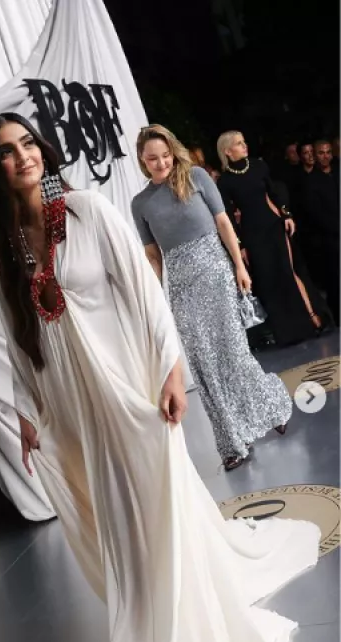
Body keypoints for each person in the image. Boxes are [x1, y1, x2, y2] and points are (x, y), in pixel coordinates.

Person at [0, 112, 319, 642]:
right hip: (71, 400)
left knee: (159, 502)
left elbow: (143, 289)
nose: (21, 157)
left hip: (129, 386)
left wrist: (170, 369)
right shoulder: (0, 245)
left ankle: (180, 638)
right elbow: (17, 335)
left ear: (41, 151)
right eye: (5, 152)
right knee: (116, 517)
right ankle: (152, 622)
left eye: (27, 144)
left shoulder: (86, 209)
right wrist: (27, 412)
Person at [131, 125, 291, 471]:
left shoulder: (198, 177)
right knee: (204, 366)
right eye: (151, 159)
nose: (160, 164)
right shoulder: (140, 203)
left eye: (164, 156)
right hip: (181, 285)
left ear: (173, 153)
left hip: (216, 270)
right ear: (142, 162)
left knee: (232, 353)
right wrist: (159, 296)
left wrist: (238, 266)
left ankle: (271, 407)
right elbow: (153, 255)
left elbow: (222, 222)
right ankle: (232, 443)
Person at [217, 131, 330, 345]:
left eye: (244, 142)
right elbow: (229, 218)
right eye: (239, 144)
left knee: (288, 272)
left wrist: (286, 214)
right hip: (252, 235)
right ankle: (286, 333)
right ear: (227, 150)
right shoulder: (224, 182)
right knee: (268, 281)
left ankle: (311, 322)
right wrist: (240, 246)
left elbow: (275, 192)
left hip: (273, 226)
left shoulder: (259, 166)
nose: (244, 146)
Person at [303, 140, 340, 324]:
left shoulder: (338, 174)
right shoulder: (312, 181)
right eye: (321, 153)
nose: (325, 156)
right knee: (335, 281)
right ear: (315, 155)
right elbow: (315, 212)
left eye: (328, 152)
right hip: (330, 239)